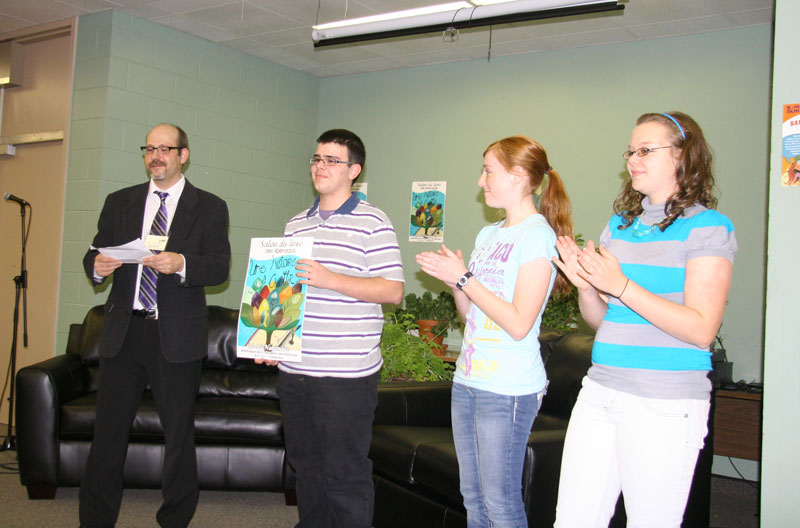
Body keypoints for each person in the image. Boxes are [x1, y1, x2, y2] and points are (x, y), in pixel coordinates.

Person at [552, 112, 737, 528]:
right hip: (600, 391)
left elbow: (701, 328)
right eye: (631, 151)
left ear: (683, 156)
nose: (633, 159)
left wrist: (620, 286)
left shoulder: (709, 229)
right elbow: (603, 321)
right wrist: (584, 283)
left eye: (646, 150)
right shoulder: (619, 227)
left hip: (664, 403)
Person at [416, 135, 573, 527]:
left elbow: (519, 323)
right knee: (473, 498)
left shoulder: (537, 236)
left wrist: (465, 277)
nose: (480, 180)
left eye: (488, 171)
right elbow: (473, 316)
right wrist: (456, 284)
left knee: (500, 502)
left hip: (508, 389)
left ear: (519, 176)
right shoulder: (489, 235)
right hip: (468, 380)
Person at [79, 123, 231, 528]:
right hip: (124, 333)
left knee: (178, 436)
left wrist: (181, 263)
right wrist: (96, 266)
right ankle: (95, 519)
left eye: (165, 148)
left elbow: (219, 267)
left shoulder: (210, 206)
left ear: (183, 155)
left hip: (175, 335)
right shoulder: (120, 202)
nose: (156, 156)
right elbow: (94, 252)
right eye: (149, 148)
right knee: (108, 433)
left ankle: (175, 520)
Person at [274, 129, 404, 527]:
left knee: (344, 475)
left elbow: (393, 290)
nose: (320, 167)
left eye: (331, 160)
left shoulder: (373, 222)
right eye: (316, 159)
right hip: (295, 372)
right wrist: (270, 338)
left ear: (354, 171)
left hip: (345, 376)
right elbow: (283, 296)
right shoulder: (295, 225)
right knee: (306, 470)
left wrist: (331, 279)